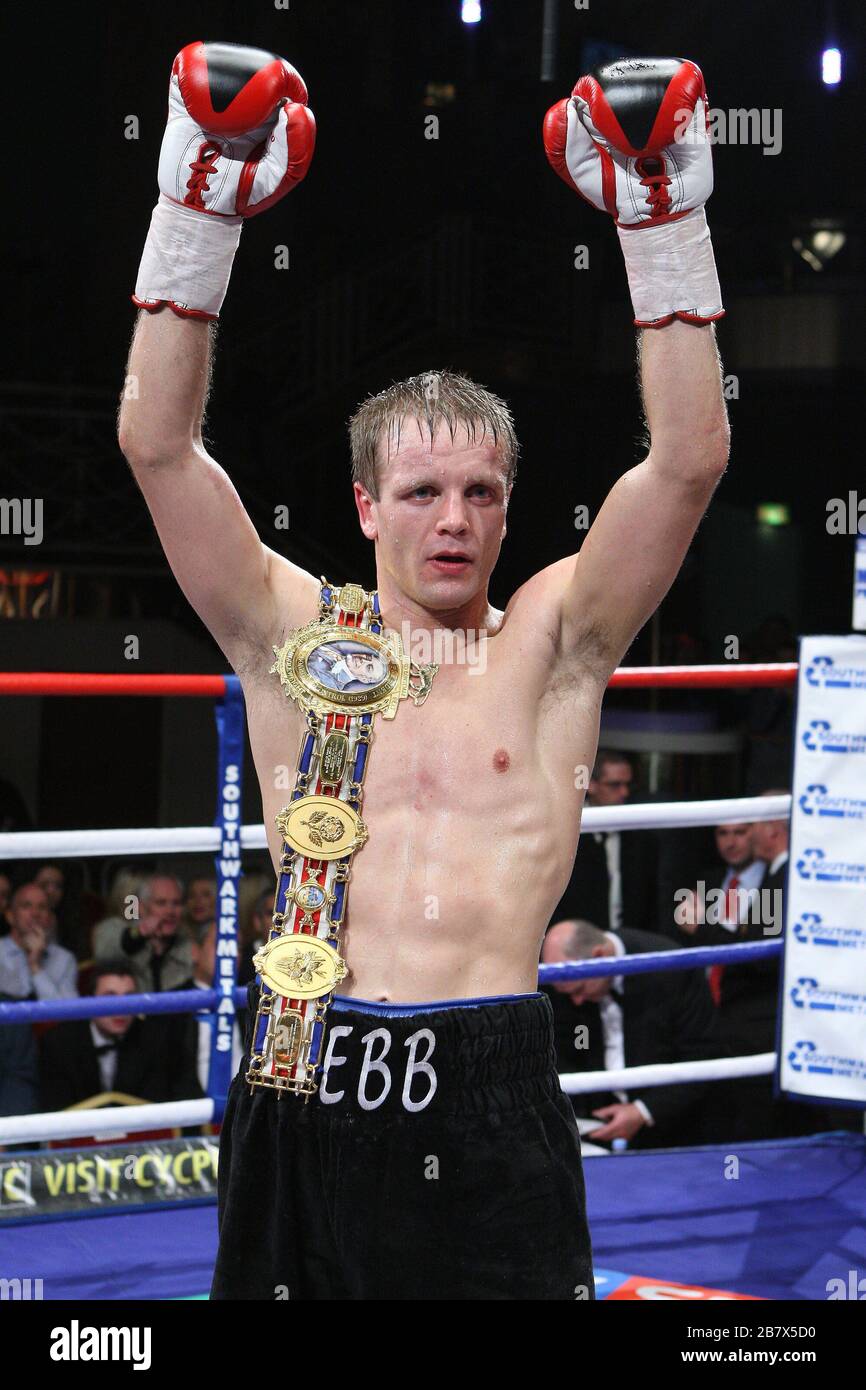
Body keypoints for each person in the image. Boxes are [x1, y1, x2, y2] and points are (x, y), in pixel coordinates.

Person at [118, 44, 729, 1299]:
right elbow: (158, 448)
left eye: (479, 493)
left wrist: (661, 219)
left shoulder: (554, 645)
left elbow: (684, 462)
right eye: (420, 491)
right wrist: (198, 205)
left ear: (508, 515)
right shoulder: (292, 640)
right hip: (304, 1075)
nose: (450, 518)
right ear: (364, 505)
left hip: (489, 1081)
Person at [542, 919, 718, 1148]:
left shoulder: (670, 966)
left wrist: (643, 1111)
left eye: (580, 989)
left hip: (674, 1127)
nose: (576, 1000)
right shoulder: (568, 982)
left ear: (600, 958)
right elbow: (568, 1048)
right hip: (597, 1126)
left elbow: (703, 1054)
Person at [39, 960, 201, 1111]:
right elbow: (56, 1109)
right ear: (89, 1001)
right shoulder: (59, 1043)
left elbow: (162, 1105)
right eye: (110, 997)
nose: (121, 1008)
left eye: (129, 997)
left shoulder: (156, 1039)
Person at [550, 750, 659, 932]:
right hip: (576, 944)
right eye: (614, 785)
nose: (624, 792)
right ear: (591, 785)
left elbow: (652, 902)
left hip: (628, 943)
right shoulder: (566, 832)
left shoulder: (641, 836)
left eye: (628, 785)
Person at [94, 873, 194, 993]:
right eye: (161, 903)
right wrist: (141, 932)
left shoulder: (187, 944)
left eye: (176, 903)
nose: (170, 911)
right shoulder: (115, 929)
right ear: (141, 907)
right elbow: (107, 950)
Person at [0, 883, 78, 1001]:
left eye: (42, 907)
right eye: (26, 906)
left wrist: (35, 965)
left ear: (50, 918)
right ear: (10, 916)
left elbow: (68, 1013)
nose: (35, 913)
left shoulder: (64, 959)